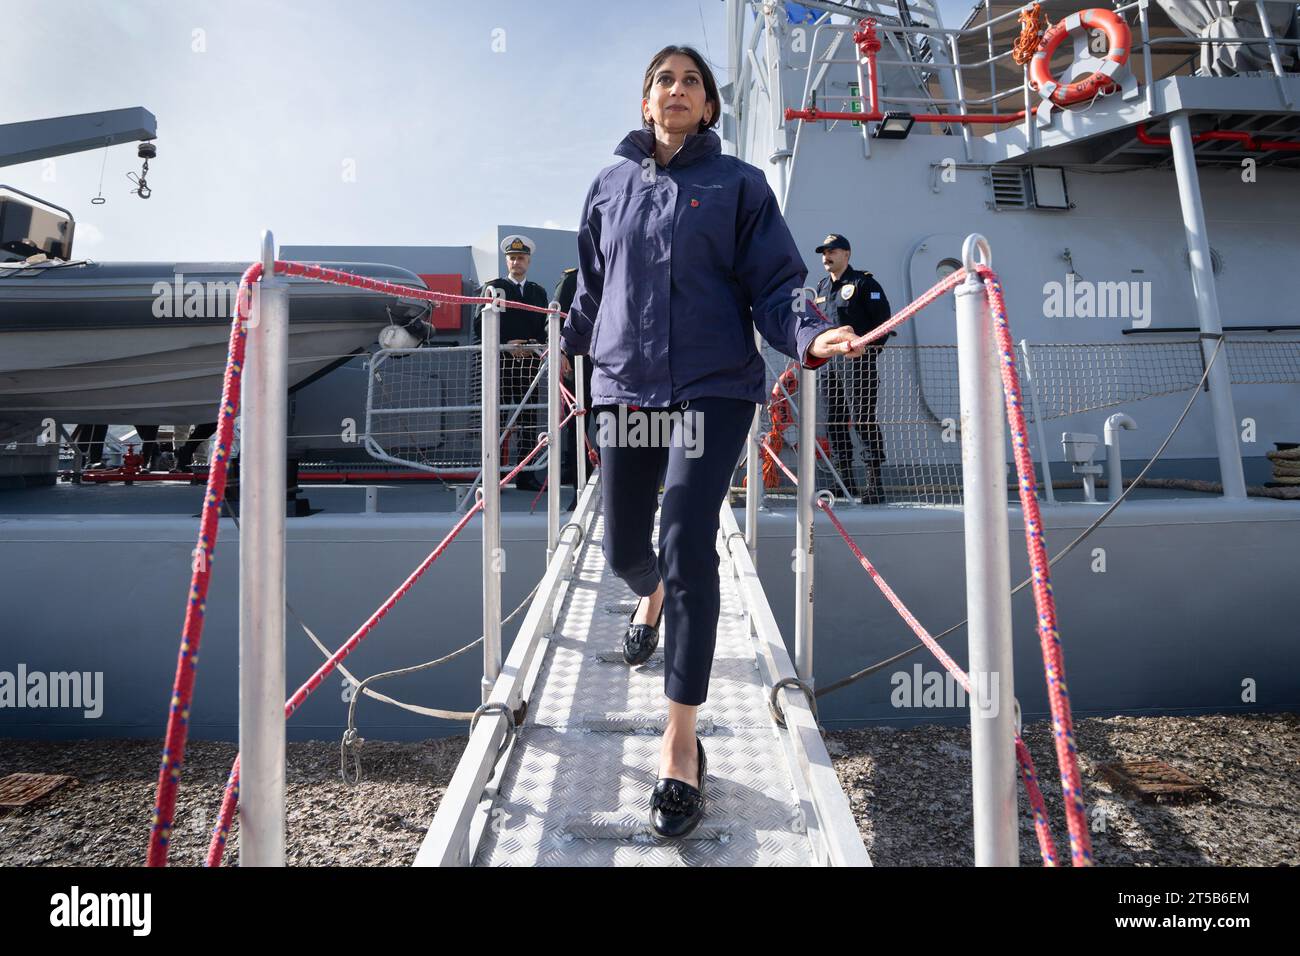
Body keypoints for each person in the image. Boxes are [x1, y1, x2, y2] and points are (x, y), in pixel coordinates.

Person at [560, 45, 864, 838]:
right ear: (644, 100)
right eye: (664, 78)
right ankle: (650, 593)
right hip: (624, 385)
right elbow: (591, 288)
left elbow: (775, 283)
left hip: (712, 384)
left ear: (709, 106)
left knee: (688, 537)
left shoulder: (739, 186)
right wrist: (568, 354)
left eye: (692, 81)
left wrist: (811, 335)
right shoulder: (608, 185)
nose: (678, 89)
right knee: (628, 548)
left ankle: (679, 740)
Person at [813, 233, 892, 504]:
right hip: (829, 365)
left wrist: (868, 352)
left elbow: (883, 324)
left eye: (832, 251)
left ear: (846, 254)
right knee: (834, 422)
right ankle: (844, 481)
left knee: (862, 420)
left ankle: (874, 484)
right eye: (824, 252)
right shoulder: (822, 288)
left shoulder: (863, 283)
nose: (827, 256)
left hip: (857, 363)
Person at [472, 235, 550, 492]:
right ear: (506, 260)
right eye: (512, 257)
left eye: (521, 258)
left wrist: (530, 344)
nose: (516, 262)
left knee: (529, 419)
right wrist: (507, 343)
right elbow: (479, 325)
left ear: (528, 261)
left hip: (529, 367)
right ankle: (491, 476)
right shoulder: (493, 288)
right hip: (500, 365)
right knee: (497, 418)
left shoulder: (538, 292)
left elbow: (544, 326)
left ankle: (525, 475)